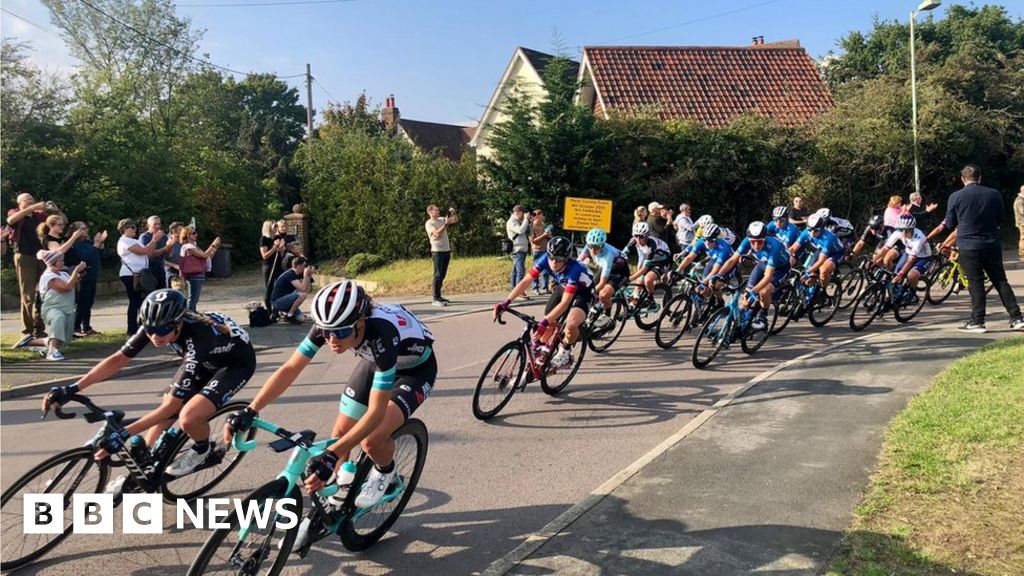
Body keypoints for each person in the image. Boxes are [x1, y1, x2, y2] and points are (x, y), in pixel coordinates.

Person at [224, 280, 436, 543]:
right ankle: (338, 495)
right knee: (340, 432)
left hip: (415, 371)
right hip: (376, 362)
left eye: (341, 332)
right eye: (326, 332)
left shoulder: (382, 333)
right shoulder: (330, 325)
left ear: (360, 320)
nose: (332, 340)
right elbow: (290, 369)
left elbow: (376, 412)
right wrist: (251, 409)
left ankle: (387, 472)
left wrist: (331, 454)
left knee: (372, 439)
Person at [43, 289, 255, 493]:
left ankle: (203, 450)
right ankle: (143, 471)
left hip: (235, 365)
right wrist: (72, 388)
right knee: (163, 416)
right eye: (150, 329)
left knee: (188, 417)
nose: (155, 336)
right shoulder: (155, 325)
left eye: (162, 331)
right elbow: (119, 359)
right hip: (205, 362)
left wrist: (125, 433)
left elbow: (171, 407)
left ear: (179, 323)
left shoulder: (198, 336)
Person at [927, 165, 1023, 333]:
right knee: (1000, 280)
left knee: (975, 282)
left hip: (968, 245)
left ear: (962, 179)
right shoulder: (994, 194)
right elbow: (1000, 218)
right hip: (991, 243)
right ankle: (1016, 317)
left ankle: (978, 321)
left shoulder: (956, 196)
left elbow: (950, 223)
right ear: (980, 177)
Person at [494, 236, 594, 369]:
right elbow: (526, 281)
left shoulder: (574, 269)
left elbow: (564, 304)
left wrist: (545, 322)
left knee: (571, 324)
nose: (553, 262)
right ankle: (543, 353)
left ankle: (565, 351)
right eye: (551, 257)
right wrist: (506, 303)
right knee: (549, 319)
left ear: (566, 259)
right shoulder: (545, 259)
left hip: (584, 292)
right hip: (564, 286)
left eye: (558, 259)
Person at [13, 251, 87, 360]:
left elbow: (72, 283)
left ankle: (29, 342)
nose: (63, 262)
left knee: (63, 340)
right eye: (61, 260)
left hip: (67, 309)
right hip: (52, 308)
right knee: (58, 318)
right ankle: (51, 352)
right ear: (53, 262)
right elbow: (65, 287)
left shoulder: (64, 274)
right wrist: (76, 270)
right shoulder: (48, 276)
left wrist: (79, 275)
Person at [718, 221, 791, 330]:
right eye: (753, 242)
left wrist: (754, 291)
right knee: (746, 297)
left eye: (760, 242)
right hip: (762, 264)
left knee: (763, 292)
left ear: (765, 239)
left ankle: (763, 316)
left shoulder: (774, 246)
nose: (756, 246)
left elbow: (768, 276)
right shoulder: (747, 240)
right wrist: (718, 275)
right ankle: (744, 323)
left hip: (780, 269)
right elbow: (732, 260)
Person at [6, 192, 52, 340]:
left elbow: (59, 222)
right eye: (28, 200)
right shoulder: (15, 212)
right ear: (20, 203)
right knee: (28, 295)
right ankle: (27, 331)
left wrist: (55, 210)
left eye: (32, 199)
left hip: (41, 256)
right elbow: (11, 220)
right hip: (25, 256)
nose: (31, 201)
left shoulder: (39, 216)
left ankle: (40, 329)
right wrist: (30, 208)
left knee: (42, 293)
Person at [577, 227, 630, 329]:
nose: (593, 250)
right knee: (589, 288)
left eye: (596, 247)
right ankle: (590, 313)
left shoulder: (608, 255)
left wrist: (589, 292)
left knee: (603, 294)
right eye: (591, 246)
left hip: (619, 272)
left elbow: (602, 283)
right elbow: (578, 265)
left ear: (602, 245)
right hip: (603, 268)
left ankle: (607, 316)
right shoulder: (588, 246)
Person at [117, 218, 163, 335]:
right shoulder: (124, 241)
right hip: (131, 274)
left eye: (135, 227)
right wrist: (154, 239)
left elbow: (148, 252)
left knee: (142, 299)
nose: (135, 229)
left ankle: (141, 324)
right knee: (134, 301)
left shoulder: (133, 240)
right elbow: (143, 251)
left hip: (140, 274)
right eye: (132, 227)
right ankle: (132, 328)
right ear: (124, 229)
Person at [674, 223, 736, 301]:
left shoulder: (724, 249)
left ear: (716, 239)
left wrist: (704, 283)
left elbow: (715, 270)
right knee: (703, 283)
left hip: (728, 265)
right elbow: (689, 257)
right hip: (714, 259)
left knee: (714, 285)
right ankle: (706, 302)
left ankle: (720, 301)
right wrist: (677, 270)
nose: (706, 243)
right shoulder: (702, 241)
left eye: (710, 240)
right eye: (704, 239)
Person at [66, 222, 107, 338]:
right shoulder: (76, 244)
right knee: (82, 302)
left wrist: (100, 244)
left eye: (86, 228)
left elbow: (98, 255)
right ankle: (76, 327)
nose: (86, 230)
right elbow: (86, 257)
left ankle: (86, 326)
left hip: (93, 274)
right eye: (83, 229)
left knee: (89, 302)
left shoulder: (88, 243)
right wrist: (96, 245)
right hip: (83, 276)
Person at [879, 215, 932, 299]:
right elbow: (885, 248)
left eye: (907, 230)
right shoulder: (898, 232)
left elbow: (911, 259)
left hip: (923, 257)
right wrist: (873, 261)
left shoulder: (919, 237)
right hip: (908, 253)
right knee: (897, 271)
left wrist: (902, 273)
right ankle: (896, 294)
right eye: (901, 230)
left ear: (912, 229)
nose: (903, 233)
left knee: (911, 275)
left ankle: (912, 294)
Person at [790, 213, 845, 288]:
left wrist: (808, 273)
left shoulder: (828, 239)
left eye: (816, 231)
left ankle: (823, 289)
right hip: (821, 250)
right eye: (810, 230)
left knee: (823, 271)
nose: (812, 233)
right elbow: (793, 248)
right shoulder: (807, 232)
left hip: (836, 253)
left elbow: (821, 261)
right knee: (808, 281)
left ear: (821, 229)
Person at [628, 221, 673, 305]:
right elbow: (640, 258)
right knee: (639, 281)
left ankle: (651, 299)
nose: (638, 239)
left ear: (647, 236)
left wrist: (630, 279)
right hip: (652, 260)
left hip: (663, 261)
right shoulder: (634, 241)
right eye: (636, 236)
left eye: (641, 237)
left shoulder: (651, 246)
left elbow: (645, 268)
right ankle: (634, 304)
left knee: (648, 279)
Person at [179, 225, 221, 312]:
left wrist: (214, 248)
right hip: (193, 274)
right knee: (192, 297)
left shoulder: (195, 247)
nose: (196, 235)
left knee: (195, 298)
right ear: (187, 235)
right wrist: (213, 245)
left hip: (198, 274)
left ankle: (192, 312)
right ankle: (190, 313)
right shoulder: (188, 247)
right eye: (193, 233)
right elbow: (204, 255)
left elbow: (207, 258)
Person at [425, 204, 457, 306]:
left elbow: (455, 220)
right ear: (430, 212)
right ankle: (435, 298)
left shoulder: (441, 219)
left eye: (438, 210)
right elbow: (436, 234)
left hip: (446, 249)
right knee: (438, 274)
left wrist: (453, 213)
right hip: (437, 251)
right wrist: (445, 225)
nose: (438, 212)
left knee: (442, 274)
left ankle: (439, 296)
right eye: (436, 210)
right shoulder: (429, 223)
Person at [264, 219, 296, 309]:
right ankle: (270, 309)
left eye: (285, 226)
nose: (284, 228)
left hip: (283, 265)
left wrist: (284, 249)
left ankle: (283, 306)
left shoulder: (288, 238)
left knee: (283, 286)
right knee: (270, 288)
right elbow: (265, 255)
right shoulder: (269, 239)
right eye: (281, 227)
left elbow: (282, 254)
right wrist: (276, 247)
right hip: (271, 266)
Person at [271, 256, 313, 323]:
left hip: (288, 301)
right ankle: (289, 316)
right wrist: (305, 275)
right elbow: (302, 289)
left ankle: (286, 314)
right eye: (304, 266)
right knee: (302, 294)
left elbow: (308, 290)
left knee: (301, 319)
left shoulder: (298, 274)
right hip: (278, 302)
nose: (304, 269)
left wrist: (308, 276)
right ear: (298, 266)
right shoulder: (290, 274)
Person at [140, 215, 173, 290]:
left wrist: (171, 246)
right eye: (155, 224)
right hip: (149, 271)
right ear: (148, 225)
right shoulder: (144, 237)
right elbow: (148, 255)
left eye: (159, 224)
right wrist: (165, 248)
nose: (157, 226)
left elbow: (168, 255)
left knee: (162, 292)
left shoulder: (164, 236)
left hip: (161, 270)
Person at [506, 205, 531, 294]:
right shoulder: (512, 221)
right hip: (517, 249)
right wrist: (526, 219)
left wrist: (529, 221)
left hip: (522, 248)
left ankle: (514, 289)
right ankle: (519, 291)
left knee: (516, 270)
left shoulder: (519, 221)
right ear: (516, 212)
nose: (523, 214)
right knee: (521, 270)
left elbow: (528, 232)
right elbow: (520, 230)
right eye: (521, 212)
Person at [529, 209, 553, 295]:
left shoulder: (544, 225)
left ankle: (545, 287)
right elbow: (533, 241)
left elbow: (549, 236)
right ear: (537, 216)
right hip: (537, 250)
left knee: (546, 270)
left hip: (545, 250)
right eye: (541, 215)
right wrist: (544, 235)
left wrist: (549, 235)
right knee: (536, 270)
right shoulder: (531, 226)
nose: (543, 217)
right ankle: (535, 288)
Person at [1014, 185, 1024, 260]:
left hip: (1022, 222)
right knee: (1023, 238)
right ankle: (1022, 253)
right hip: (1022, 222)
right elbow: (1022, 211)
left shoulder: (1021, 199)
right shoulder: (1020, 200)